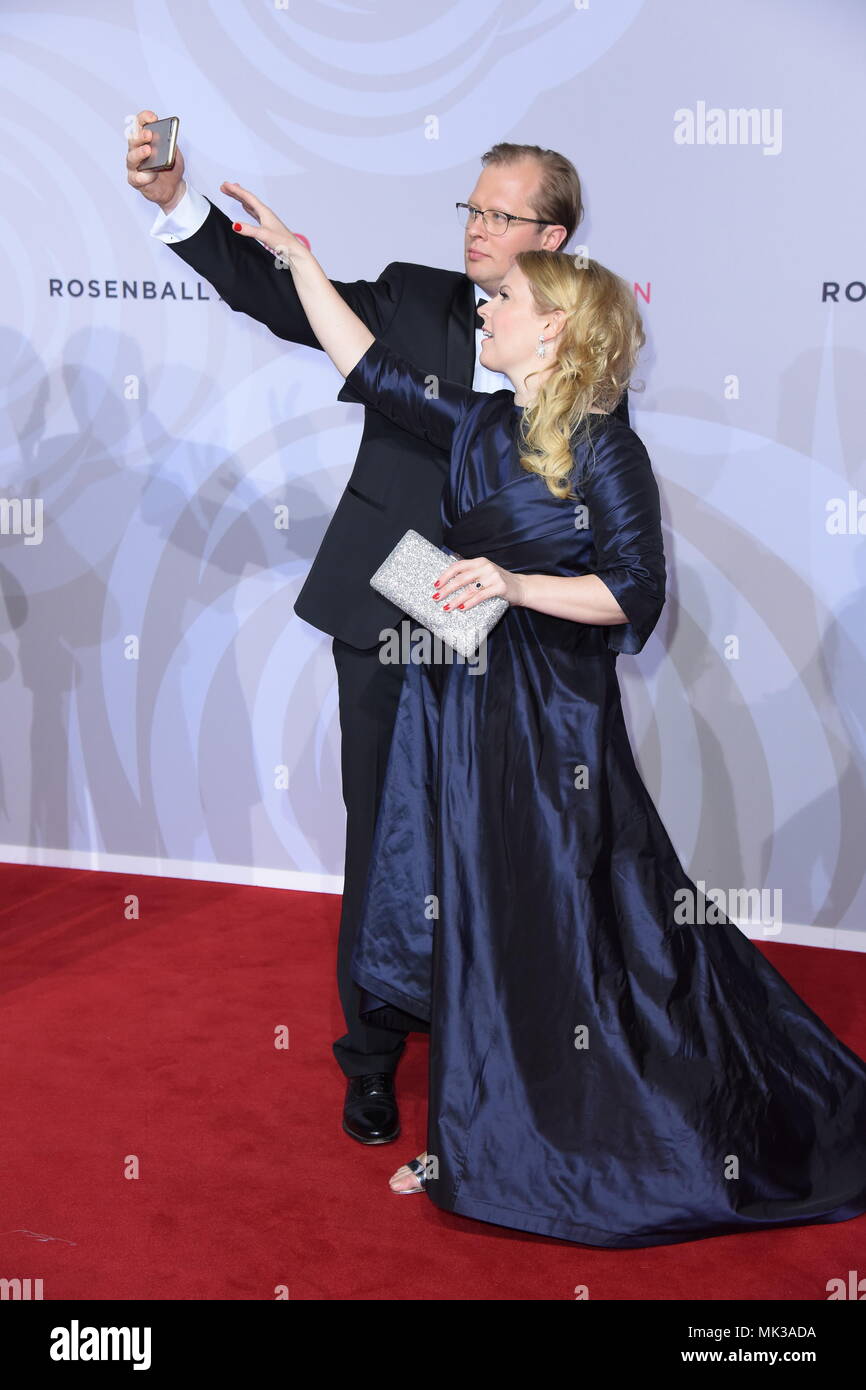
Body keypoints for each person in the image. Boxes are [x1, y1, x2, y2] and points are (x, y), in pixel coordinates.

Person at [224, 187, 866, 1250]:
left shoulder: (606, 447)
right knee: (471, 905)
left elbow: (633, 592)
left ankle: (561, 1133)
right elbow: (363, 367)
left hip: (548, 721)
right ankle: (478, 1137)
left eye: (507, 297)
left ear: (556, 324)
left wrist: (514, 588)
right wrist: (294, 257)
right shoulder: (481, 422)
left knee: (555, 915)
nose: (484, 308)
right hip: (459, 696)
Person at [126, 116, 630, 1145]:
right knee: (386, 837)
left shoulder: (585, 351)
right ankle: (369, 1060)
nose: (476, 228)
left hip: (509, 644)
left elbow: (596, 515)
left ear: (557, 234)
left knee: (497, 845)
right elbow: (283, 298)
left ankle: (491, 1045)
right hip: (389, 614)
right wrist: (178, 203)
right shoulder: (411, 297)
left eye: (502, 213)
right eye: (472, 208)